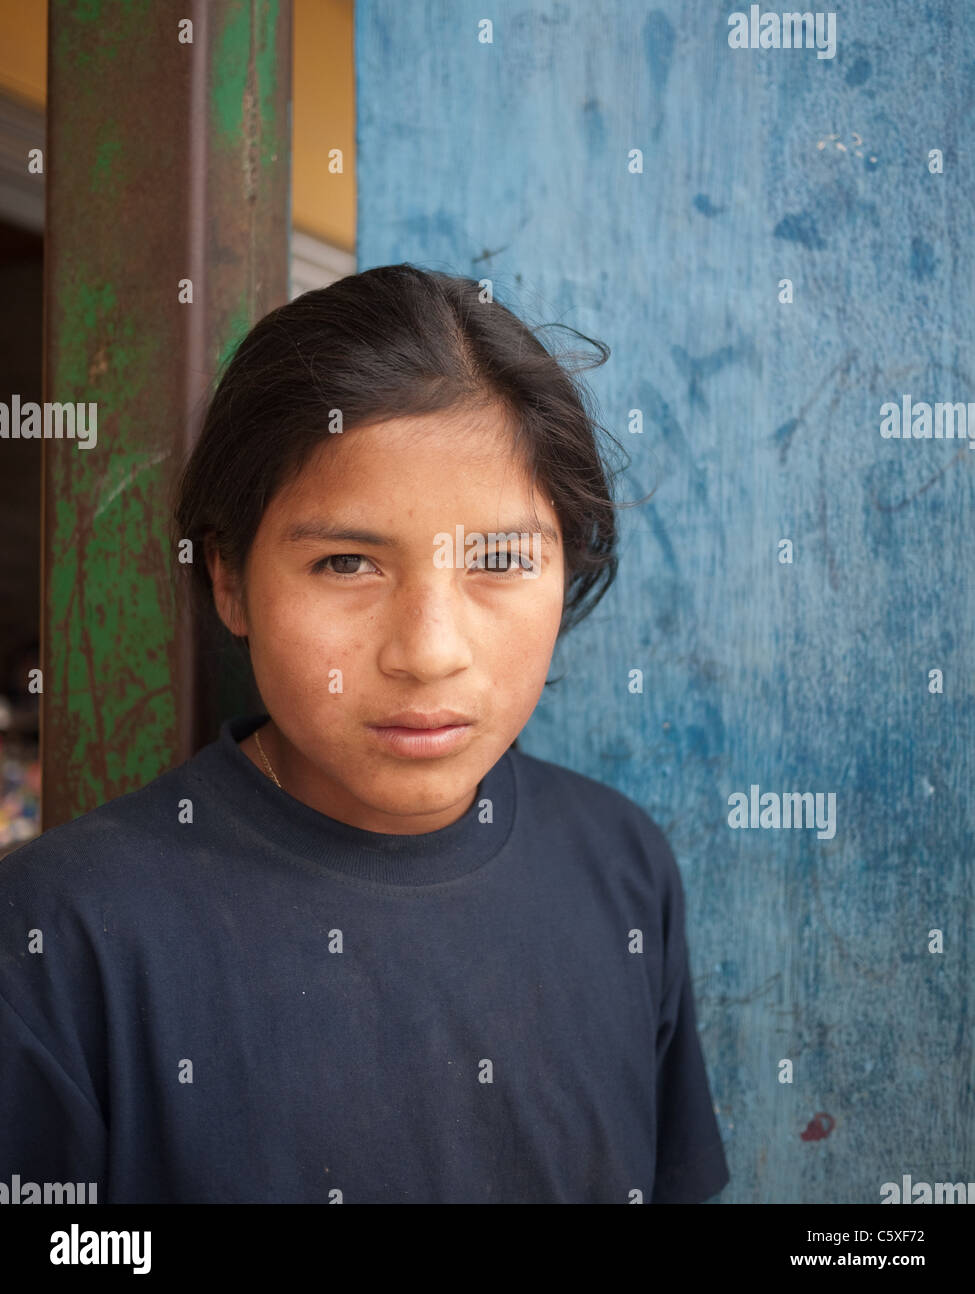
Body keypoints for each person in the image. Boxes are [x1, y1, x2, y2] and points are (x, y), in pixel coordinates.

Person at [0, 265, 729, 1203]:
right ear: (229, 579)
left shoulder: (620, 867)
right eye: (346, 561)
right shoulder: (58, 938)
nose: (428, 653)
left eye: (499, 559)